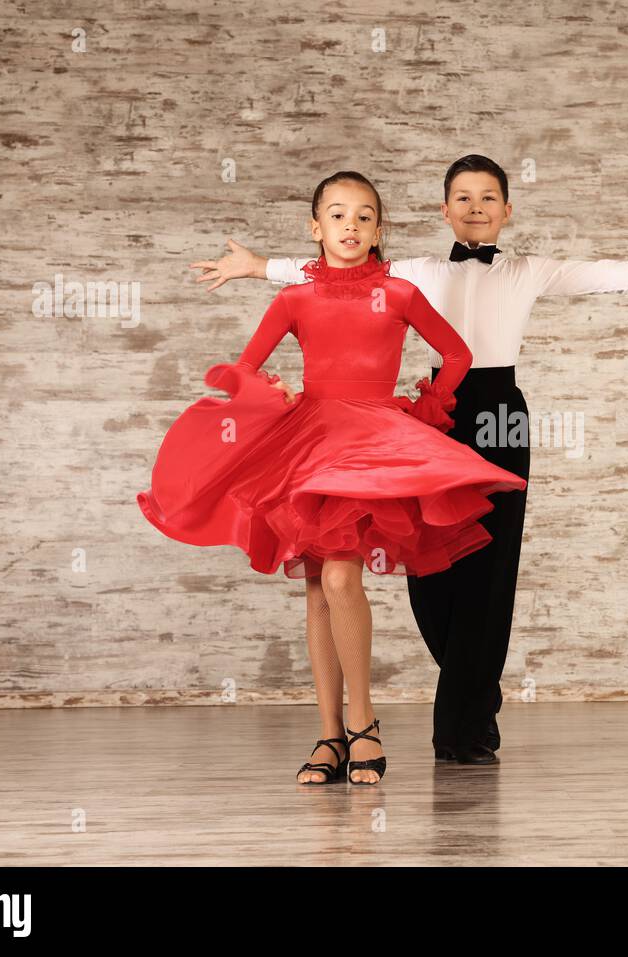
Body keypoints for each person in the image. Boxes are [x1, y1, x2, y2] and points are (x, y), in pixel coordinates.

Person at [191, 154, 628, 765]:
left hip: (498, 411)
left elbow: (609, 274)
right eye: (463, 198)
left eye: (489, 197)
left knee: (491, 565)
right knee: (428, 568)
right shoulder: (411, 272)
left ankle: (463, 726)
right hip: (428, 413)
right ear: (444, 211)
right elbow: (333, 269)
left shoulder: (529, 270)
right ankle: (467, 694)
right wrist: (259, 267)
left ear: (507, 209)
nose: (476, 208)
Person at [138, 170, 526, 786]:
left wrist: (431, 405)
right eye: (338, 215)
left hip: (371, 437)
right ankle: (329, 737)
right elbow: (244, 367)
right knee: (318, 584)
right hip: (311, 439)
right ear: (315, 228)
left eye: (366, 216)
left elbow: (457, 354)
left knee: (342, 574)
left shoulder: (398, 293)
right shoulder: (295, 298)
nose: (352, 226)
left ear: (379, 231)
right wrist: (270, 389)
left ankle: (364, 727)